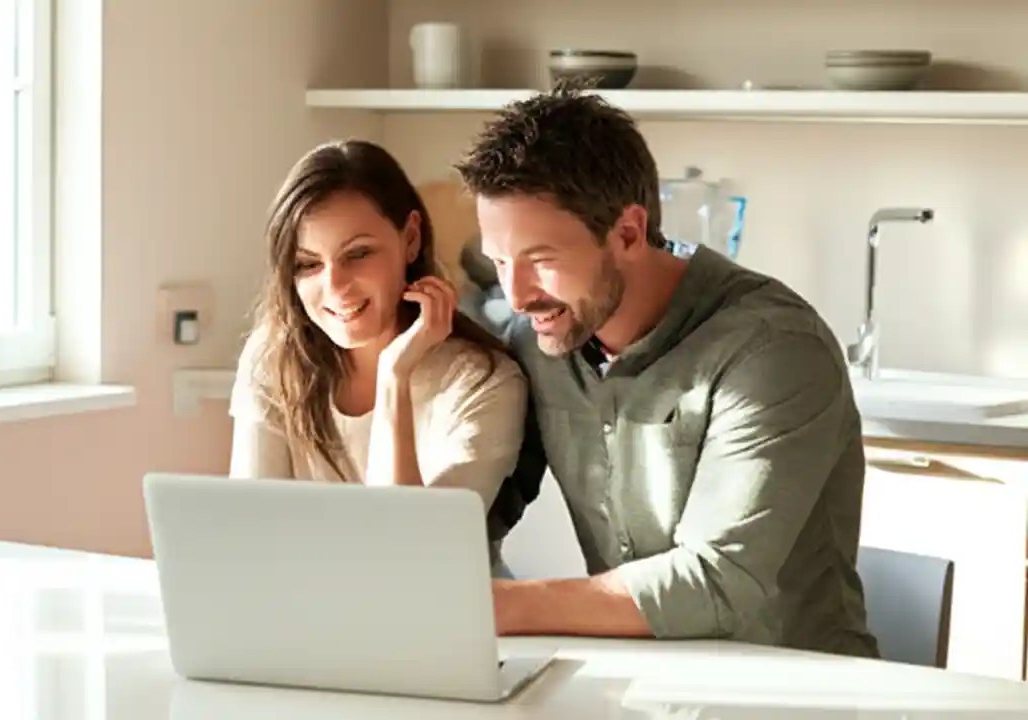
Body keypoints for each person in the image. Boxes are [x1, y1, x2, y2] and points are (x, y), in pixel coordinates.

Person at [455, 90, 880, 657]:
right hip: (641, 688)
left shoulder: (772, 349)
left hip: (798, 692)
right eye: (501, 262)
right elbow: (471, 513)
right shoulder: (539, 341)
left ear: (628, 232)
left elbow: (716, 580)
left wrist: (501, 605)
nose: (518, 294)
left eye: (542, 259)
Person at [229, 139, 530, 573]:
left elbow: (405, 559)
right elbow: (251, 538)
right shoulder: (273, 357)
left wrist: (395, 375)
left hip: (438, 624)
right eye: (308, 264)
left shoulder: (484, 381)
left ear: (410, 239)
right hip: (305, 617)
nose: (336, 287)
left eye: (358, 254)